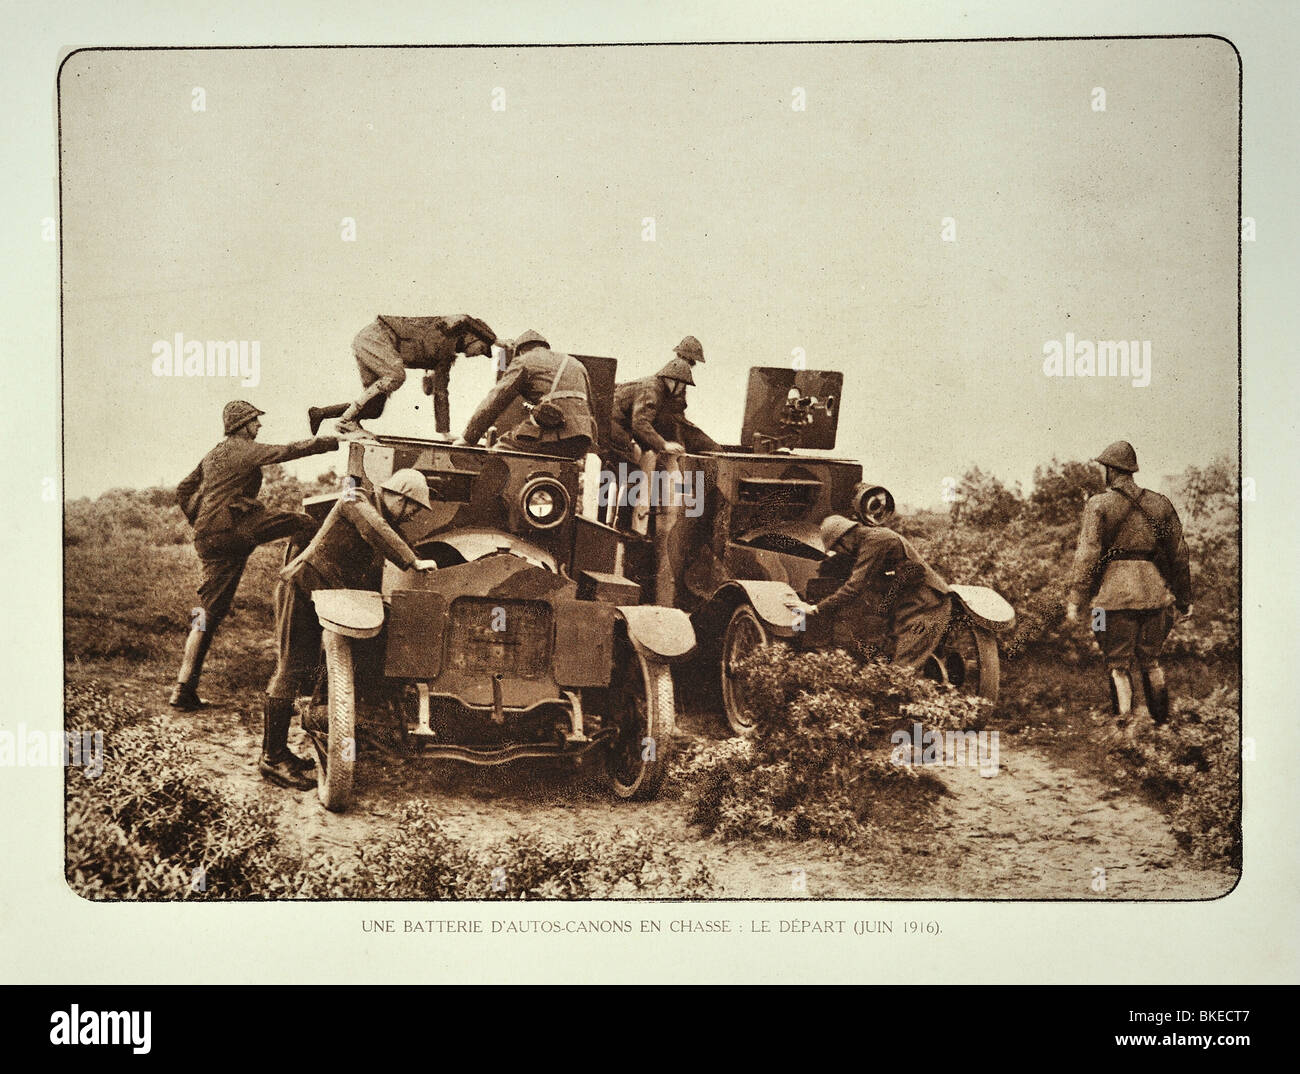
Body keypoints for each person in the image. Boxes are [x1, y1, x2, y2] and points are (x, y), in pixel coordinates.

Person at [259, 469, 439, 790]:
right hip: (301, 586)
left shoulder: (385, 517)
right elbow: (377, 530)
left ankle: (317, 727)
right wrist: (413, 562)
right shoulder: (357, 500)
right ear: (398, 495)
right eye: (412, 507)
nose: (412, 515)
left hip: (325, 593)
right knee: (291, 669)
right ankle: (272, 758)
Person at [171, 401, 339, 710]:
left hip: (209, 540)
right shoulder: (243, 449)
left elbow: (183, 489)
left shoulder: (213, 454)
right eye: (255, 421)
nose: (259, 426)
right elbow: (288, 450)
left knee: (205, 614)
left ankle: (183, 689)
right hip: (235, 530)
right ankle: (300, 584)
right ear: (243, 424)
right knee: (303, 523)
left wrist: (202, 521)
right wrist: (331, 441)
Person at [1066, 441, 1192, 724]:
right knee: (1151, 661)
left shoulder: (1098, 504)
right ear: (1131, 471)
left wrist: (1076, 599)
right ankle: (1162, 724)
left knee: (1117, 663)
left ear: (1110, 470)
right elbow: (1179, 555)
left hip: (1111, 599)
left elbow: (1087, 555)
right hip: (1156, 597)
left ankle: (1123, 727)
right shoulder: (1160, 504)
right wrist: (1184, 600)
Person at [799, 514, 952, 668]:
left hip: (928, 604)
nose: (839, 552)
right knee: (893, 661)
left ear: (844, 539)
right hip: (913, 604)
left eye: (836, 548)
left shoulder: (876, 541)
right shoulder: (871, 540)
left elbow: (854, 587)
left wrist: (817, 608)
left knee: (902, 668)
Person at [308, 314, 498, 436]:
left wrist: (445, 433)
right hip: (377, 335)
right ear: (474, 336)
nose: (477, 354)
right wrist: (496, 340)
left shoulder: (446, 359)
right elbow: (464, 318)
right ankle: (345, 421)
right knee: (396, 375)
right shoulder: (449, 329)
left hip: (374, 344)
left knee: (374, 409)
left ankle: (321, 413)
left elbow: (441, 394)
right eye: (482, 348)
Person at [458, 329, 598, 460]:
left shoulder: (524, 360)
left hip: (554, 435)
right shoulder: (575, 363)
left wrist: (468, 438)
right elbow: (591, 407)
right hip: (582, 439)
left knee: (500, 451)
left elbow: (496, 400)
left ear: (520, 351)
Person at [608, 357, 720, 465]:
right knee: (629, 466)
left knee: (649, 456)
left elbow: (675, 421)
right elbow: (640, 422)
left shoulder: (663, 391)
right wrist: (664, 444)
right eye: (682, 384)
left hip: (623, 424)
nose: (682, 388)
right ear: (674, 381)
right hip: (613, 422)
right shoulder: (652, 388)